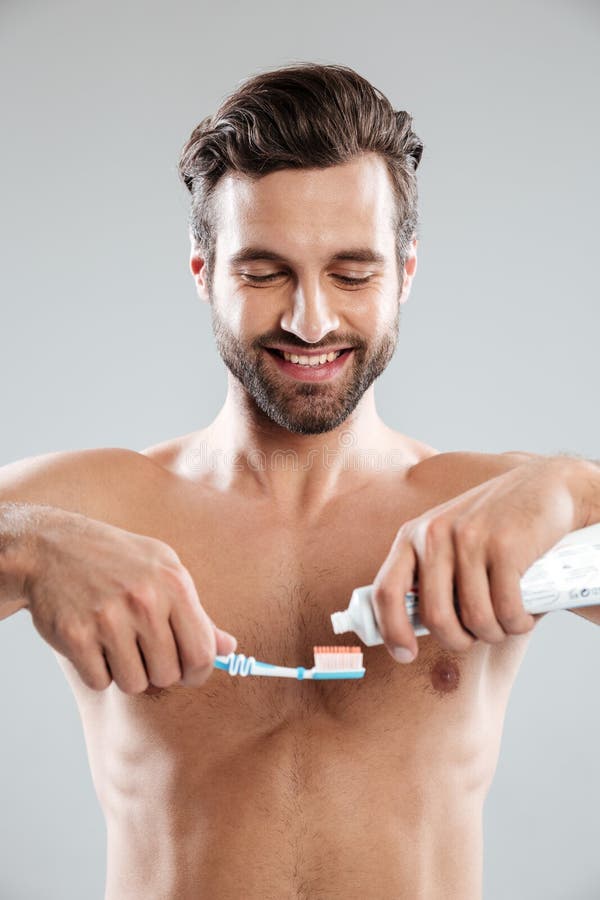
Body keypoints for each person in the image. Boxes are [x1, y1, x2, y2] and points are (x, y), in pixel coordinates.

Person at [1, 62, 599, 900]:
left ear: (408, 273)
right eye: (263, 272)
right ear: (204, 273)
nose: (310, 320)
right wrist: (28, 548)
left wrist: (571, 490)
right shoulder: (95, 508)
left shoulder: (491, 516)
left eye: (352, 273)